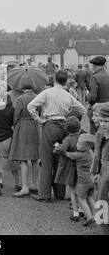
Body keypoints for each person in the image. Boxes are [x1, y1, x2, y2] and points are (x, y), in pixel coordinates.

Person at [28, 70, 86, 202]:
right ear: (66, 81)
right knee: (60, 160)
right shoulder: (67, 95)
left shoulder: (47, 93)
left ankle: (45, 194)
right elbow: (82, 109)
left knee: (47, 160)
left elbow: (30, 106)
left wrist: (38, 119)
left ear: (54, 79)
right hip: (64, 126)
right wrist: (68, 116)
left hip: (50, 124)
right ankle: (60, 193)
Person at [9, 77, 39, 197]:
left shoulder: (21, 98)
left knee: (23, 158)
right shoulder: (37, 96)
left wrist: (15, 125)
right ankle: (35, 185)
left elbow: (16, 115)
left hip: (23, 126)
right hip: (35, 125)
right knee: (35, 158)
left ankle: (25, 187)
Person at [62, 134, 96, 227]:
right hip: (91, 180)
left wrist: (59, 147)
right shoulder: (90, 152)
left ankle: (89, 217)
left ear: (85, 147)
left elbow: (67, 154)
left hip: (83, 181)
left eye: (78, 143)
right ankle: (95, 215)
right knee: (90, 198)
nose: (76, 144)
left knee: (81, 199)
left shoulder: (79, 155)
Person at [53, 117, 81, 221]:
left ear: (67, 129)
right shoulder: (81, 137)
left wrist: (56, 147)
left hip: (71, 167)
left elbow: (60, 149)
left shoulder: (68, 139)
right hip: (81, 167)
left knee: (73, 190)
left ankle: (75, 213)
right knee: (81, 189)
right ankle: (82, 209)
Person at [91, 103, 109, 234]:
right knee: (102, 202)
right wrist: (95, 172)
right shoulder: (99, 135)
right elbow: (96, 156)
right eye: (101, 120)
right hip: (104, 172)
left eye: (106, 121)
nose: (103, 124)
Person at [87, 56, 109, 134]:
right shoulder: (107, 75)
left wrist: (88, 97)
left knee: (95, 134)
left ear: (95, 66)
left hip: (97, 107)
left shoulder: (94, 77)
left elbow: (92, 97)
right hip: (107, 106)